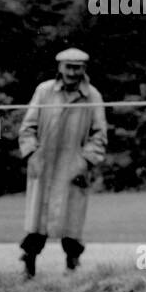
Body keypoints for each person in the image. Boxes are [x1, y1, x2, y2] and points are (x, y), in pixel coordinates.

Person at [18, 48, 108, 276]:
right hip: (44, 164)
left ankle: (72, 265)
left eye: (77, 67)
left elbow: (100, 135)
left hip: (73, 166)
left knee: (72, 222)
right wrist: (32, 155)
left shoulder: (92, 96)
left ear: (84, 69)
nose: (72, 72)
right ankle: (28, 265)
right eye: (68, 67)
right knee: (38, 221)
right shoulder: (44, 91)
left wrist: (85, 160)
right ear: (60, 68)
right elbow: (27, 128)